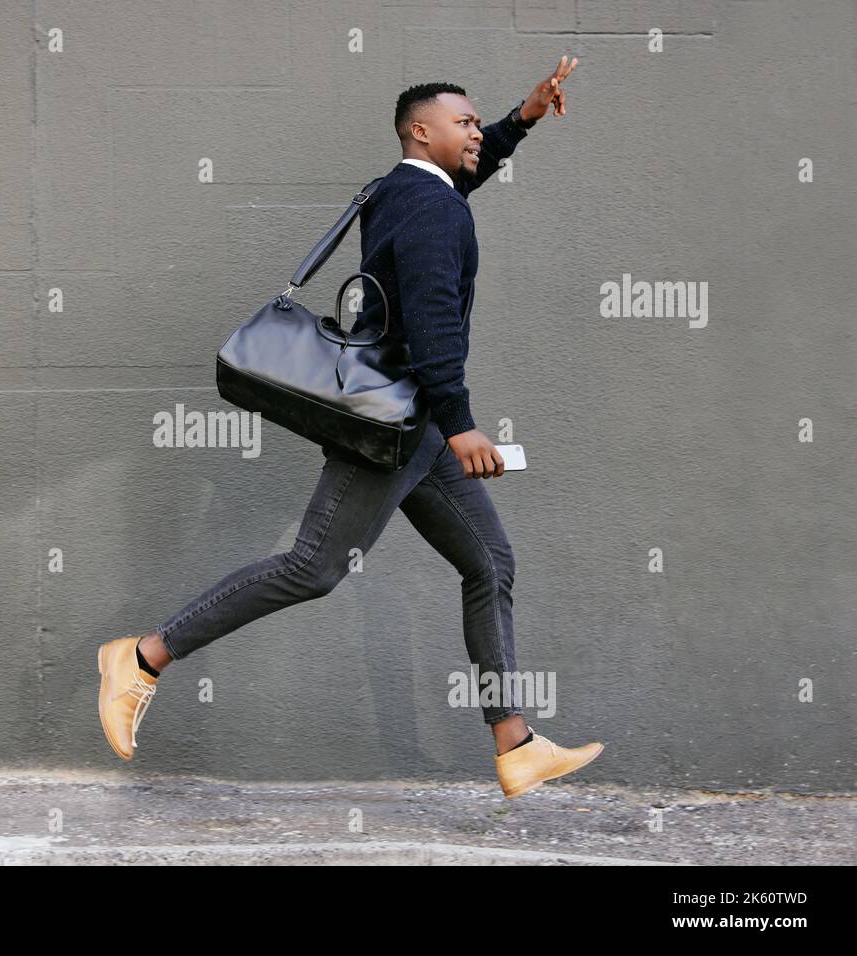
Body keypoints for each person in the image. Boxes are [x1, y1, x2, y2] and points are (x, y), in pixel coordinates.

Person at [99, 57, 603, 799]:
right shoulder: (433, 207)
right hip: (393, 424)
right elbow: (433, 323)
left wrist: (522, 117)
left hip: (411, 425)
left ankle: (515, 743)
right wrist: (463, 425)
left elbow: (470, 170)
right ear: (420, 132)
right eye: (463, 123)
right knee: (313, 568)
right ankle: (141, 658)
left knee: (490, 563)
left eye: (475, 123)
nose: (475, 134)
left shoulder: (403, 190)